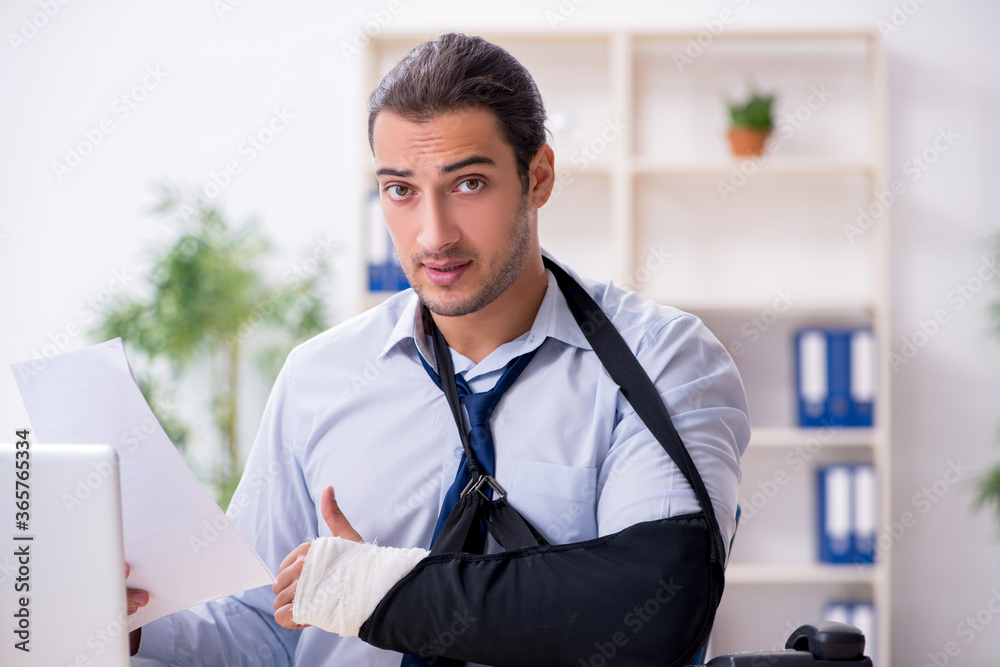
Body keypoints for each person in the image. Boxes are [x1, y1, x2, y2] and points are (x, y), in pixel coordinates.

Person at [127, 32, 750, 666]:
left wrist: (375, 590)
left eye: (469, 184)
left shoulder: (663, 359)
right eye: (400, 190)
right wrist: (136, 632)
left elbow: (655, 603)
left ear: (539, 177)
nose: (434, 234)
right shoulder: (319, 376)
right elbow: (258, 629)